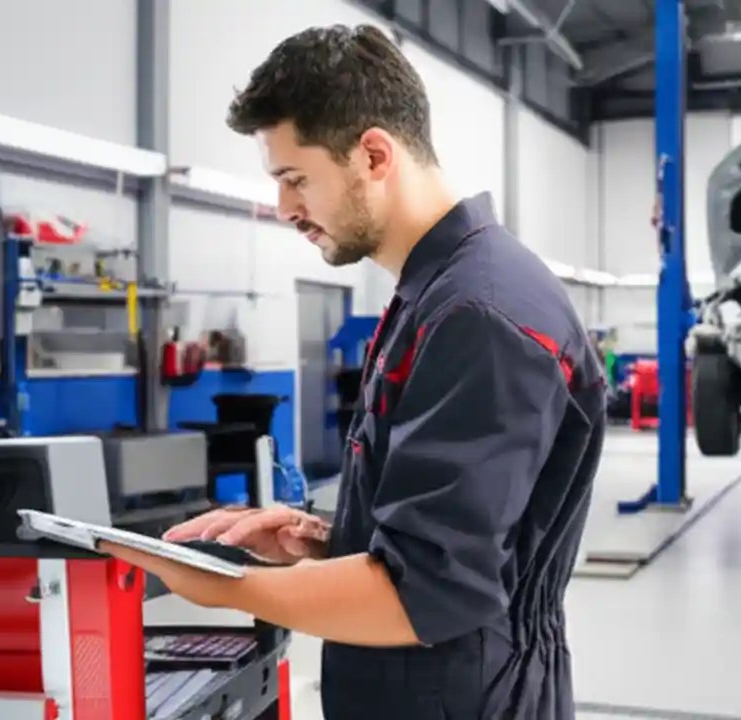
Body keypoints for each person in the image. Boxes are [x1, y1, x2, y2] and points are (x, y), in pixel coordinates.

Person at [101, 23, 606, 719]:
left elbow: (425, 591)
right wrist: (328, 543)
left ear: (373, 154)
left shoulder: (480, 315)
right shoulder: (432, 297)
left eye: (295, 178)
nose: (285, 209)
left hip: (464, 698)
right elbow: (451, 531)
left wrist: (221, 585)